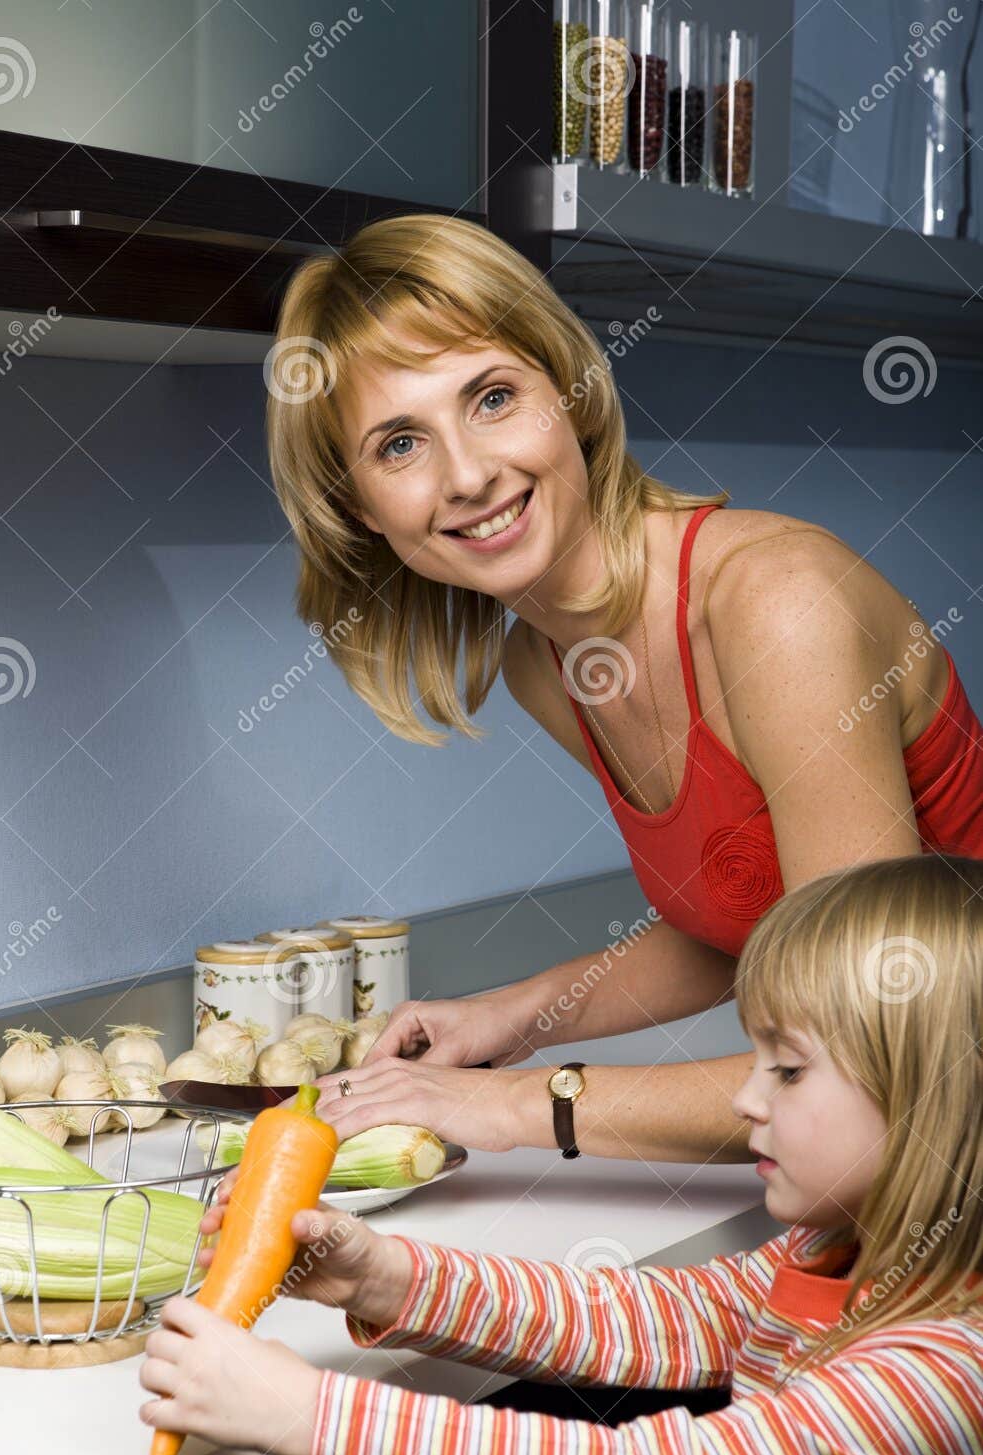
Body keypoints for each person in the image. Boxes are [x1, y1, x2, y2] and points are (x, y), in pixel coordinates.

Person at [262, 213, 983, 1165]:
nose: (468, 474)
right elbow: (749, 920)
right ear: (360, 505)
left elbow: (860, 1076)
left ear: (568, 393)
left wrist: (517, 1107)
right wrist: (511, 1016)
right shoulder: (545, 665)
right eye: (400, 444)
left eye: (491, 397)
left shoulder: (777, 606)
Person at [141, 853, 983, 1455]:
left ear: (932, 1102)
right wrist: (388, 1278)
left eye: (788, 1071)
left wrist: (306, 1416)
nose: (745, 1099)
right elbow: (653, 1319)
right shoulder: (836, 1255)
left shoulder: (940, 1376)